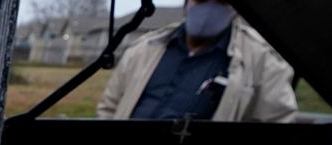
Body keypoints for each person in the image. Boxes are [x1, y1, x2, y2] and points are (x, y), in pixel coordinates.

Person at [97, 0, 297, 123]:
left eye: (220, 1)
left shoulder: (263, 59)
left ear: (235, 9)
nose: (209, 6)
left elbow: (277, 124)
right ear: (186, 2)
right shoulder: (144, 48)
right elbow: (108, 107)